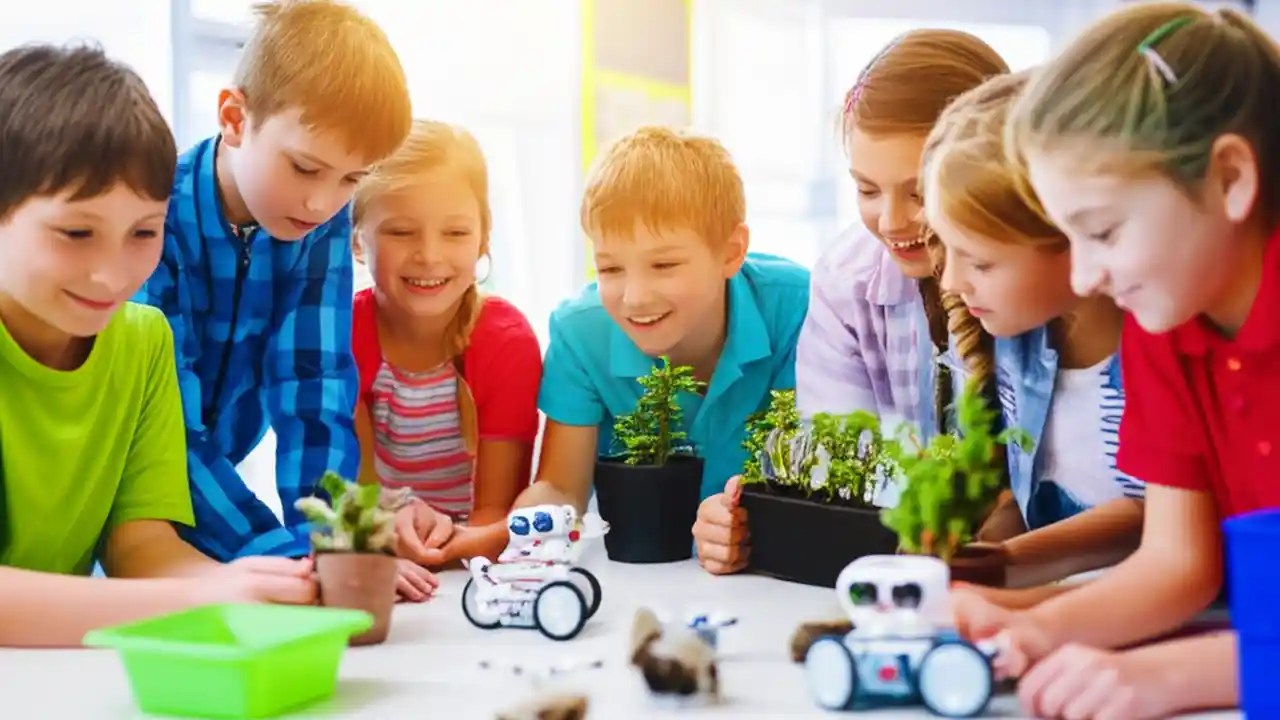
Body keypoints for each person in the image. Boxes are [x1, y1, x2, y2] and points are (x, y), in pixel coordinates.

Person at [952, 4, 1280, 717]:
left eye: (1101, 231)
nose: (1082, 279)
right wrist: (1033, 627)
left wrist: (1181, 675)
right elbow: (1175, 564)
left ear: (1229, 178)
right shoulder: (1166, 324)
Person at [0, 44, 315, 648]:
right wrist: (197, 597)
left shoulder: (145, 343)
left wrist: (254, 588)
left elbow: (142, 549)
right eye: (76, 233)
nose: (112, 274)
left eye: (144, 232)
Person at [693, 30, 1013, 575]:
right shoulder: (847, 281)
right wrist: (751, 516)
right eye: (867, 190)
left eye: (918, 193)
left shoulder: (1046, 286)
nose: (890, 223)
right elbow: (840, 462)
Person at [442, 126, 809, 563]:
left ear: (731, 252)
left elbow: (814, 476)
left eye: (664, 264)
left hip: (769, 579)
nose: (635, 297)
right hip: (635, 576)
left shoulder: (800, 309)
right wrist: (516, 529)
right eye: (611, 269)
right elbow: (562, 487)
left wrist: (746, 523)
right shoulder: (580, 332)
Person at [135, 0, 419, 561]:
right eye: (305, 168)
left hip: (215, 521)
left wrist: (336, 547)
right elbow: (164, 430)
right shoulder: (148, 216)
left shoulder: (321, 224)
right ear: (235, 119)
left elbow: (313, 389)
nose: (322, 201)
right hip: (127, 520)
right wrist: (275, 549)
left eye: (351, 179)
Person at [922, 71, 1144, 590]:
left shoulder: (1154, 349)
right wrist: (973, 548)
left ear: (1073, 236)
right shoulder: (1008, 338)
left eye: (980, 262)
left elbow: (1154, 520)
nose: (951, 281)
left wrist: (999, 565)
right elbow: (1025, 505)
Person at [350, 120, 542, 598]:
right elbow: (359, 501)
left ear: (483, 239)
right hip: (381, 559)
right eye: (400, 231)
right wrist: (380, 542)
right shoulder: (342, 335)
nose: (430, 255)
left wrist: (445, 548)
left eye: (455, 232)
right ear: (356, 241)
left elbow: (494, 516)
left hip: (480, 565)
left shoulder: (506, 340)